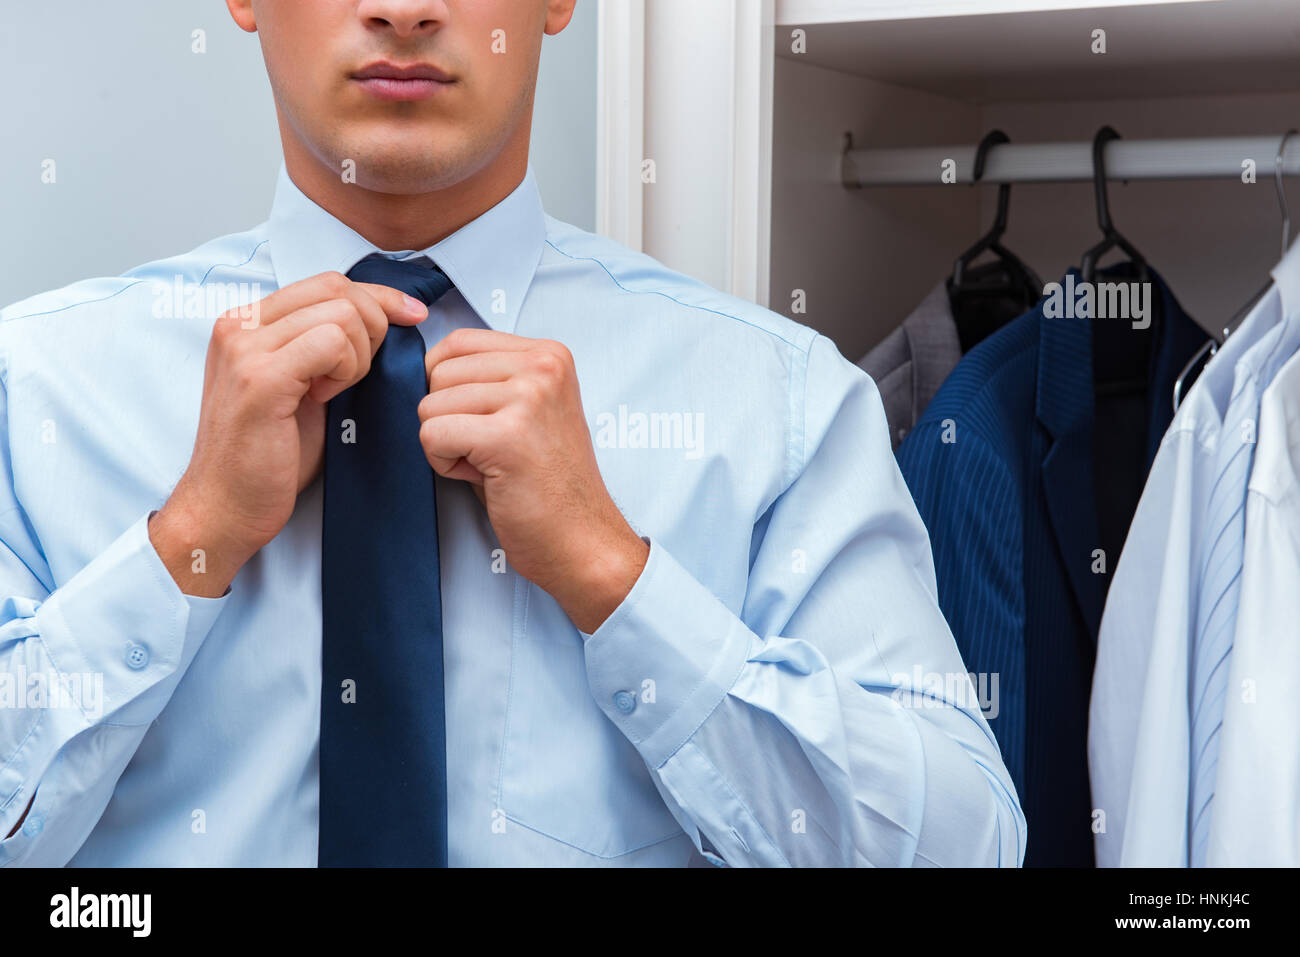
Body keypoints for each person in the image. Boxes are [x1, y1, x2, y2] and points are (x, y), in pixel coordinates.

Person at [0, 0, 1024, 866]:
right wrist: (191, 536)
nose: (403, 10)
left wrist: (614, 579)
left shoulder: (783, 405)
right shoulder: (38, 386)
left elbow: (961, 846)